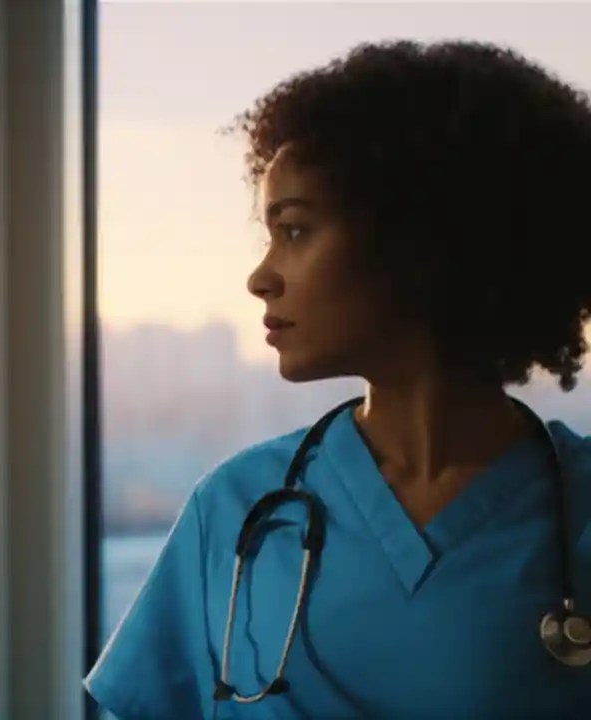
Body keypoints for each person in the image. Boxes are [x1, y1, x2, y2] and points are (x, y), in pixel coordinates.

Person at [83, 39, 591, 719]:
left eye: (294, 231)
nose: (260, 277)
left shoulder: (578, 512)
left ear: (421, 243)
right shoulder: (235, 508)